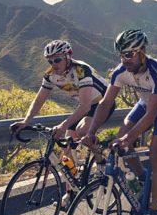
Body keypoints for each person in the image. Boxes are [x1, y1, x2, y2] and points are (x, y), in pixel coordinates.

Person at [82, 29, 157, 215]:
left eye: (128, 54)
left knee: (155, 153)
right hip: (145, 104)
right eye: (121, 54)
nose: (124, 59)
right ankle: (143, 178)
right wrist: (91, 131)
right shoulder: (120, 72)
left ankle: (153, 213)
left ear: (142, 52)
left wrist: (128, 138)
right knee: (122, 142)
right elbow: (106, 102)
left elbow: (152, 114)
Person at [10, 40, 113, 205]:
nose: (53, 64)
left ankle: (100, 159)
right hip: (84, 107)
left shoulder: (81, 70)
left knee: (81, 130)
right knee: (67, 146)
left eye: (57, 60)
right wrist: (26, 121)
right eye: (50, 61)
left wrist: (63, 125)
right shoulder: (51, 75)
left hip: (102, 103)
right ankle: (70, 192)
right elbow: (39, 100)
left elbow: (86, 106)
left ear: (68, 56)